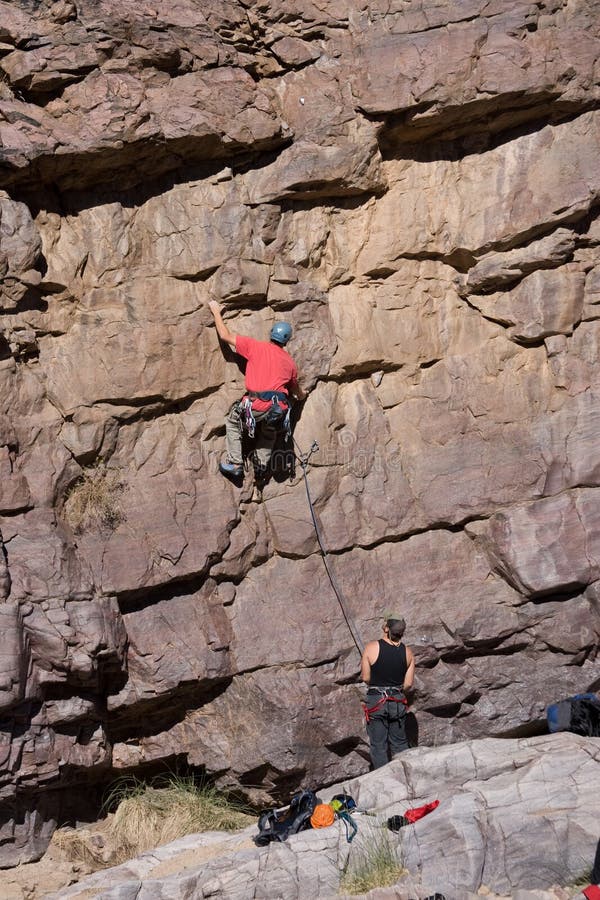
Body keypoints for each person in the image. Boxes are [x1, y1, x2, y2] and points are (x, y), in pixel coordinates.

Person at [208, 300, 306, 482]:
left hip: (256, 405)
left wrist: (216, 312)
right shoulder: (289, 363)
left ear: (271, 334)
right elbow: (297, 391)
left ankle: (236, 464)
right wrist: (302, 396)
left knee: (233, 421)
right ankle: (261, 466)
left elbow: (225, 336)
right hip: (278, 408)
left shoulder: (255, 347)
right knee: (269, 431)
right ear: (287, 340)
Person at [360, 614, 415, 769]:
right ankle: (406, 775)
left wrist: (379, 684)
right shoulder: (408, 652)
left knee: (378, 745)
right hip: (397, 700)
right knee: (400, 742)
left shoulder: (371, 648)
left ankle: (384, 781)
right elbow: (408, 684)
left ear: (386, 628)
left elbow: (365, 677)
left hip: (377, 700)